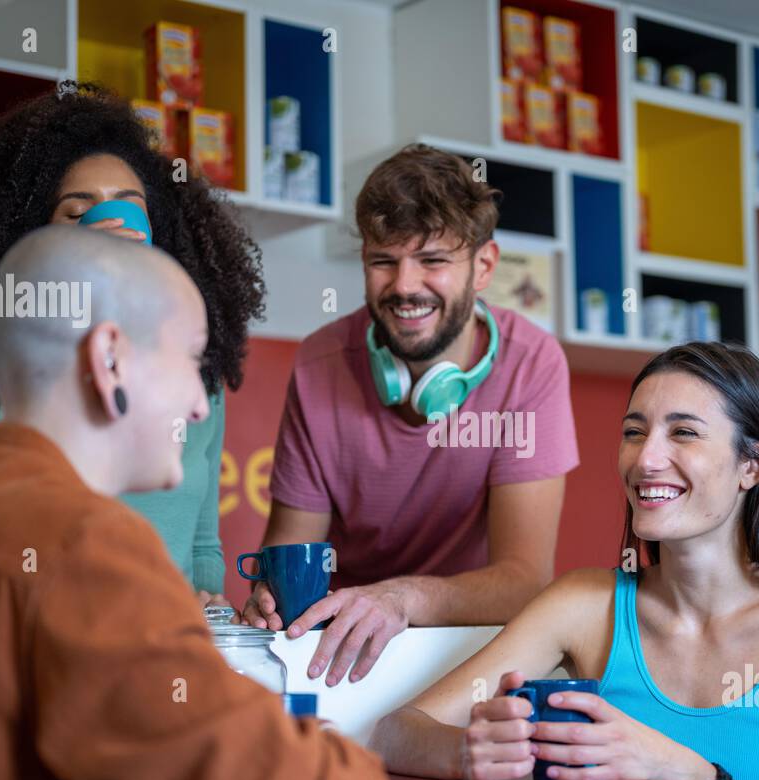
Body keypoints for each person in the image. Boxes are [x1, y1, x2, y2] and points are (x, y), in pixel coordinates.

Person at [0, 227, 391, 780]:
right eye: (192, 360)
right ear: (110, 361)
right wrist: (344, 764)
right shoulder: (80, 545)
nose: (200, 406)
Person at [368, 342, 759, 780]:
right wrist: (467, 752)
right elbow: (395, 733)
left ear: (753, 465)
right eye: (635, 432)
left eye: (683, 433)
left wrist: (692, 772)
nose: (645, 460)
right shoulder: (584, 604)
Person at [0, 81, 264, 612]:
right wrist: (80, 292)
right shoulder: (0, 366)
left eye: (130, 209)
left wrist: (209, 604)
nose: (111, 223)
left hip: (165, 639)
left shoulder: (194, 376)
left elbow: (203, 543)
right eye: (76, 212)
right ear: (33, 239)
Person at [242, 145, 579, 686]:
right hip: (342, 649)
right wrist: (272, 599)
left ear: (484, 266)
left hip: (467, 650)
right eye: (384, 261)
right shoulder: (318, 363)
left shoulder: (533, 363)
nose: (404, 285)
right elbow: (291, 557)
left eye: (433, 260)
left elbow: (525, 581)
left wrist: (401, 599)